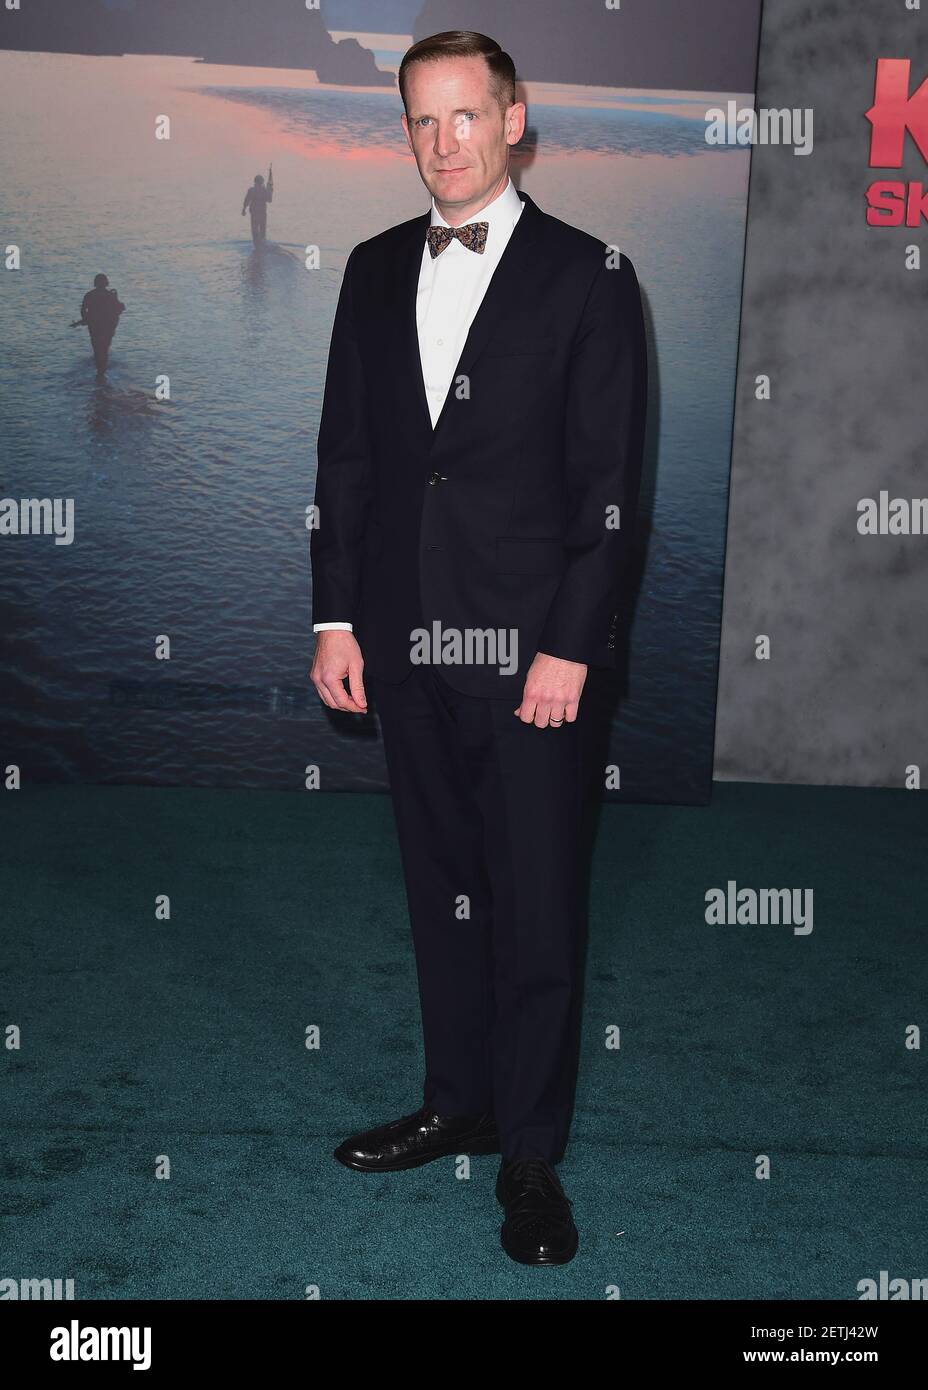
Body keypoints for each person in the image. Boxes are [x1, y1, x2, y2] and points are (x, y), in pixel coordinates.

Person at [310, 30, 648, 1266]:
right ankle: (457, 1101)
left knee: (538, 909)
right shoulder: (368, 266)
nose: (442, 143)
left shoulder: (591, 276)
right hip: (403, 647)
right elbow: (347, 458)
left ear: (514, 120)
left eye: (465, 116)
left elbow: (611, 488)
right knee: (440, 890)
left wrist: (568, 647)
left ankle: (530, 1159)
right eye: (420, 121)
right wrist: (334, 615)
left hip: (530, 663)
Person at [71, 274, 125, 374]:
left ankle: (99, 371)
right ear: (106, 283)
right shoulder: (110, 295)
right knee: (104, 348)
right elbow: (120, 308)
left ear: (95, 283)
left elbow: (83, 310)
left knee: (96, 348)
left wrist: (85, 319)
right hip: (107, 327)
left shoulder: (89, 295)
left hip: (94, 326)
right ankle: (102, 371)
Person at [242, 167, 273, 245]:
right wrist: (270, 190)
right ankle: (262, 244)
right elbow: (269, 200)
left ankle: (257, 245)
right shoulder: (264, 190)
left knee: (255, 231)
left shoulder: (252, 190)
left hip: (255, 213)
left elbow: (247, 201)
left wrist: (244, 209)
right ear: (262, 182)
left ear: (255, 182)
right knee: (262, 231)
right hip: (262, 213)